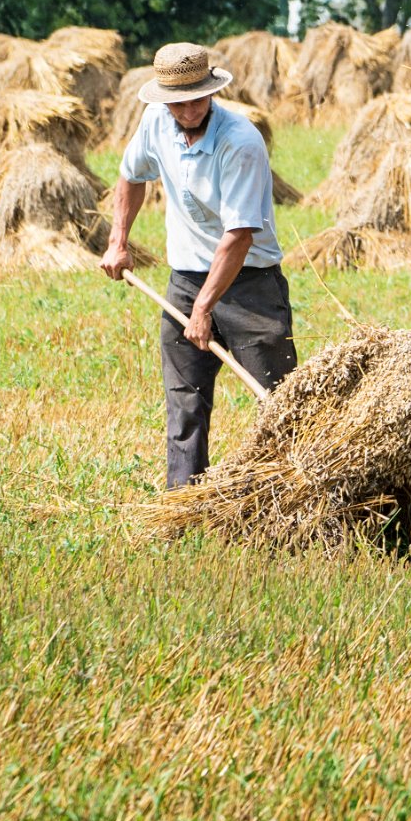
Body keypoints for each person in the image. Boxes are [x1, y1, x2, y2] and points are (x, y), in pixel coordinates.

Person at [101, 42, 294, 487]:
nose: (188, 110)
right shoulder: (155, 123)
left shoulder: (240, 142)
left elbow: (239, 236)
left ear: (212, 91)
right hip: (186, 279)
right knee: (184, 400)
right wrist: (119, 243)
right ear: (164, 99)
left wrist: (204, 310)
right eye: (178, 101)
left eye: (197, 98)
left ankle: (291, 497)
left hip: (251, 288)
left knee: (279, 400)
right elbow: (131, 176)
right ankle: (182, 501)